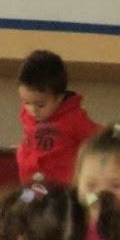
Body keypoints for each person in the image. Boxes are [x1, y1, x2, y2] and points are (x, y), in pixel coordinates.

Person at [15, 49, 100, 185]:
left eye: (41, 105)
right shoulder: (28, 113)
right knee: (19, 205)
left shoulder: (74, 118)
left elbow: (98, 140)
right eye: (26, 103)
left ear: (59, 98)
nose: (33, 110)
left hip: (61, 190)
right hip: (32, 186)